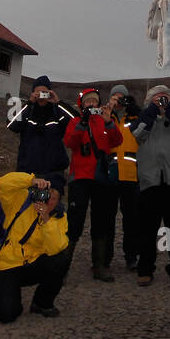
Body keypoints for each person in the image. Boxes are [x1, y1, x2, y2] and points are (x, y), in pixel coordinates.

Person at [0, 171, 69, 322]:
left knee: (60, 260)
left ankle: (41, 303)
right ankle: (4, 292)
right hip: (6, 264)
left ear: (59, 201)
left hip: (30, 264)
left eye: (54, 198)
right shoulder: (20, 201)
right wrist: (31, 180)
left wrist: (45, 220)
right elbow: (2, 183)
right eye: (46, 195)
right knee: (7, 315)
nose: (48, 201)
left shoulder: (58, 217)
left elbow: (56, 248)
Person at [132, 84, 170, 286]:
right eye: (157, 98)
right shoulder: (143, 119)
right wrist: (151, 112)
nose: (161, 101)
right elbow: (137, 134)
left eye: (165, 98)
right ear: (149, 100)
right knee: (147, 228)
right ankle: (145, 268)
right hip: (149, 181)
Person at [61, 86, 122, 279]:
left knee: (101, 221)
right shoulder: (76, 121)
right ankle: (61, 269)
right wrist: (83, 123)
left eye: (94, 101)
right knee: (74, 223)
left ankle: (100, 265)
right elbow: (70, 143)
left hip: (100, 178)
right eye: (88, 101)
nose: (91, 104)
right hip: (79, 178)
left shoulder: (105, 120)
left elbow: (117, 141)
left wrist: (109, 122)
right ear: (82, 104)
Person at [8, 75, 77, 181]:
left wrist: (59, 103)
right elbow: (11, 125)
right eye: (38, 92)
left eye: (44, 92)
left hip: (53, 172)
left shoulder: (57, 111)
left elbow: (76, 122)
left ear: (50, 93)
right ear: (33, 93)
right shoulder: (27, 110)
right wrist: (29, 103)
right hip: (27, 171)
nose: (41, 96)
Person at [106, 85, 142, 272]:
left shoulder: (134, 117)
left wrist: (133, 106)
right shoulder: (105, 116)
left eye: (122, 98)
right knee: (107, 219)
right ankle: (105, 258)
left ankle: (131, 257)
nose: (118, 101)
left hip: (130, 174)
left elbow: (145, 123)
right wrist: (108, 112)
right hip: (110, 175)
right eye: (115, 97)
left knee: (131, 219)